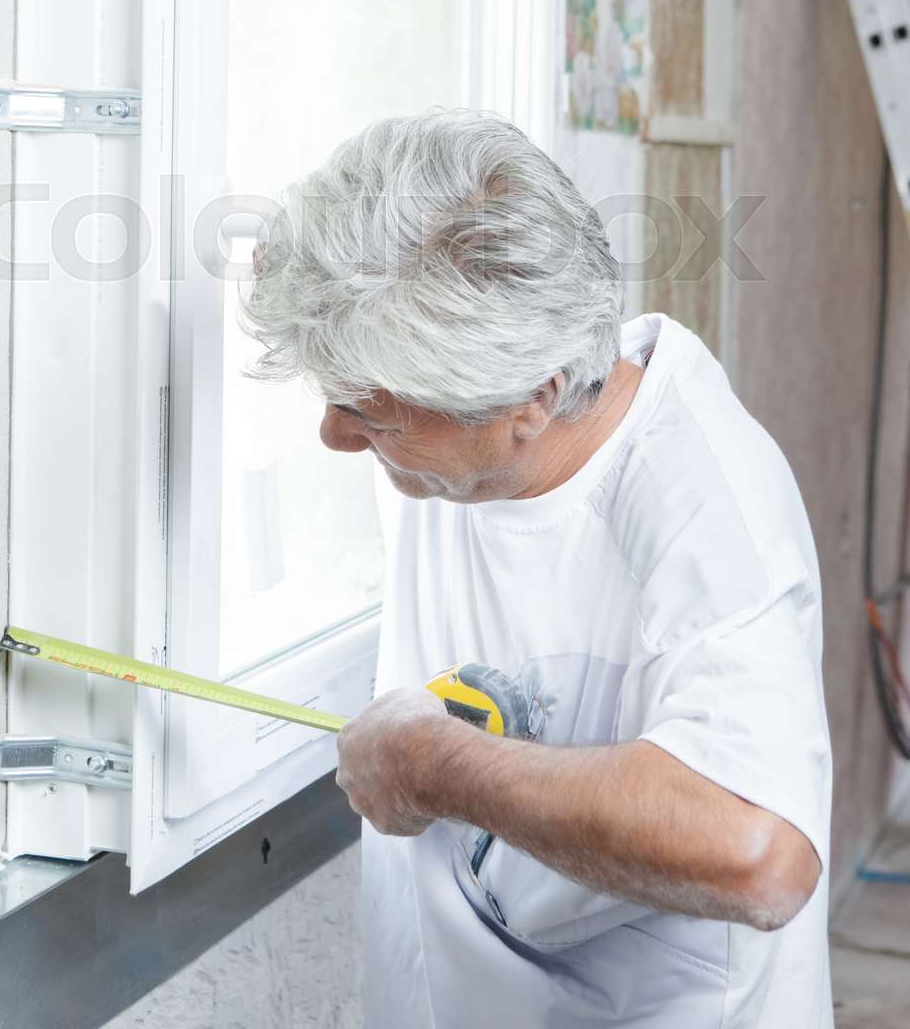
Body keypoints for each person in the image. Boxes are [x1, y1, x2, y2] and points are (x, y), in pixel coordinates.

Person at [241, 108, 832, 1029]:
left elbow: (760, 853)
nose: (333, 436)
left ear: (531, 400)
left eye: (371, 414)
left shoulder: (708, 504)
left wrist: (439, 769)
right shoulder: (468, 435)